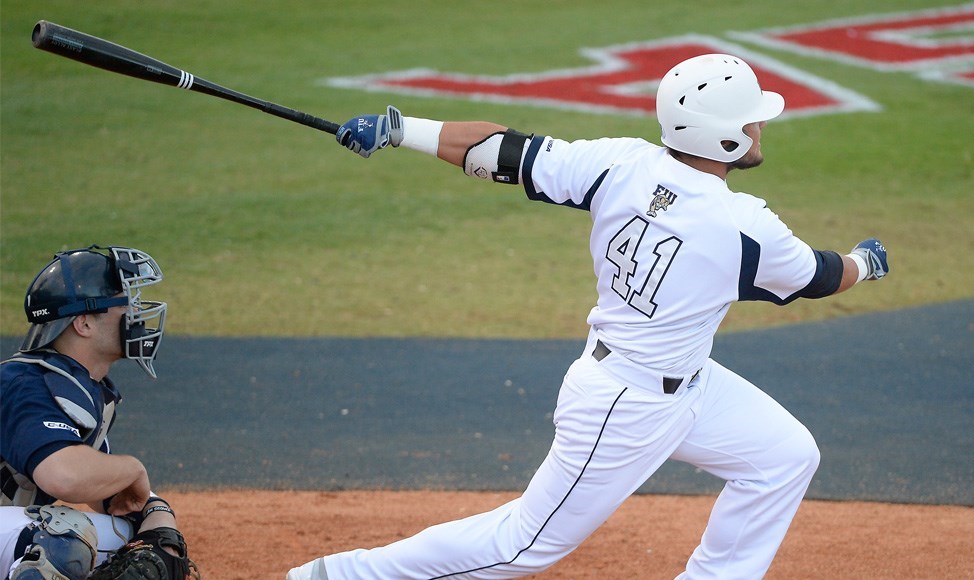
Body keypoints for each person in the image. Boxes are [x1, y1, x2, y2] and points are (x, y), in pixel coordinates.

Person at [288, 53, 889, 579]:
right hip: (625, 405)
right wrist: (868, 260)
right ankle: (334, 577)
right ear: (726, 137)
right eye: (751, 118)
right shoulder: (746, 226)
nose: (761, 126)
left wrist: (399, 129)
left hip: (687, 383)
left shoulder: (618, 164)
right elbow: (820, 276)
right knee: (522, 543)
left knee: (783, 456)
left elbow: (500, 151)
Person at [0, 246, 198, 579]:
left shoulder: (80, 389)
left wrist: (159, 519)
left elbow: (114, 492)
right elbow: (63, 476)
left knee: (133, 540)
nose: (135, 312)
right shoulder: (24, 384)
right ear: (84, 323)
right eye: (124, 303)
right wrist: (134, 469)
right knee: (65, 537)